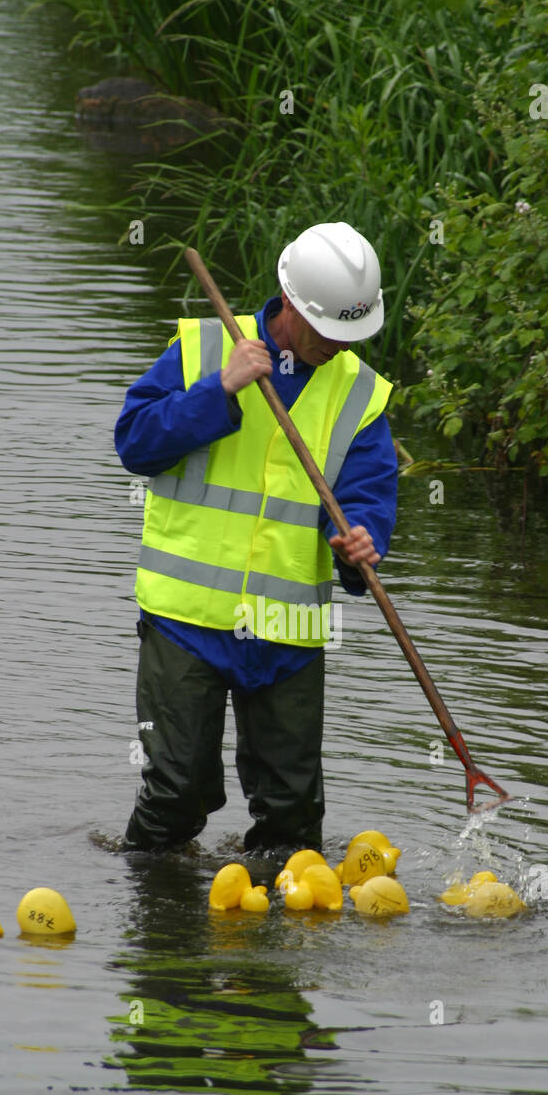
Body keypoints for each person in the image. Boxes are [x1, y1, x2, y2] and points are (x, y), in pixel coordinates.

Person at [114, 221, 397, 854]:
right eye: (329, 330)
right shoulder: (203, 350)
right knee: (175, 795)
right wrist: (220, 390)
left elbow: (367, 495)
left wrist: (358, 541)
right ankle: (159, 934)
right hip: (186, 621)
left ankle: (270, 940)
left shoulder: (360, 393)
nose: (337, 345)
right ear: (292, 305)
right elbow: (135, 444)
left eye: (350, 332)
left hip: (289, 630)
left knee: (293, 817)